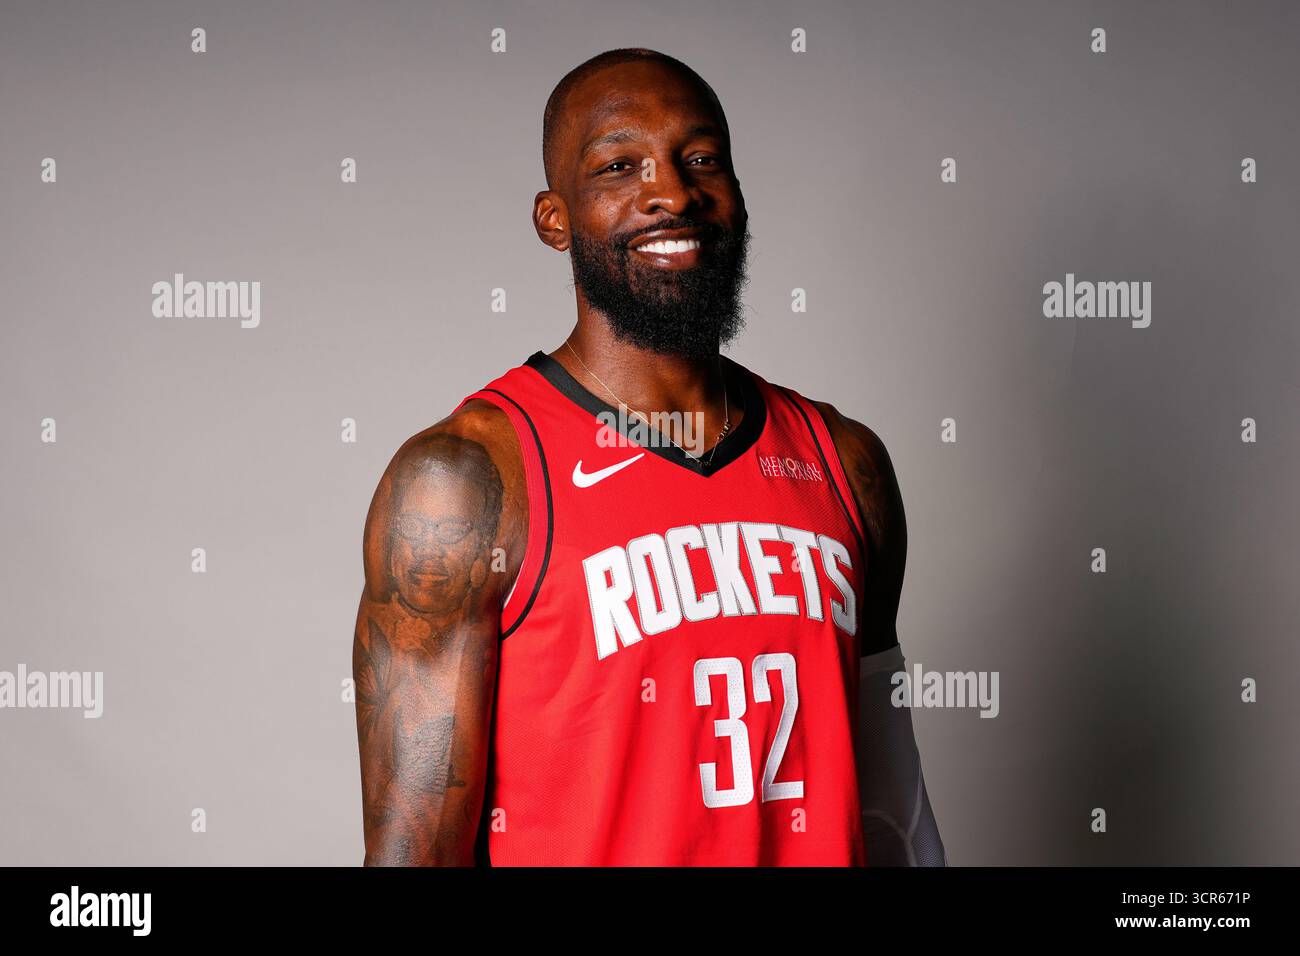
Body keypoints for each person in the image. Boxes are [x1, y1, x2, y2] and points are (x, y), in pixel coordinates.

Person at [352, 47, 945, 866]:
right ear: (553, 219)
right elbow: (412, 858)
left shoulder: (846, 462)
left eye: (701, 159)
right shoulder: (465, 481)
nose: (671, 192)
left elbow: (893, 809)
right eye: (618, 166)